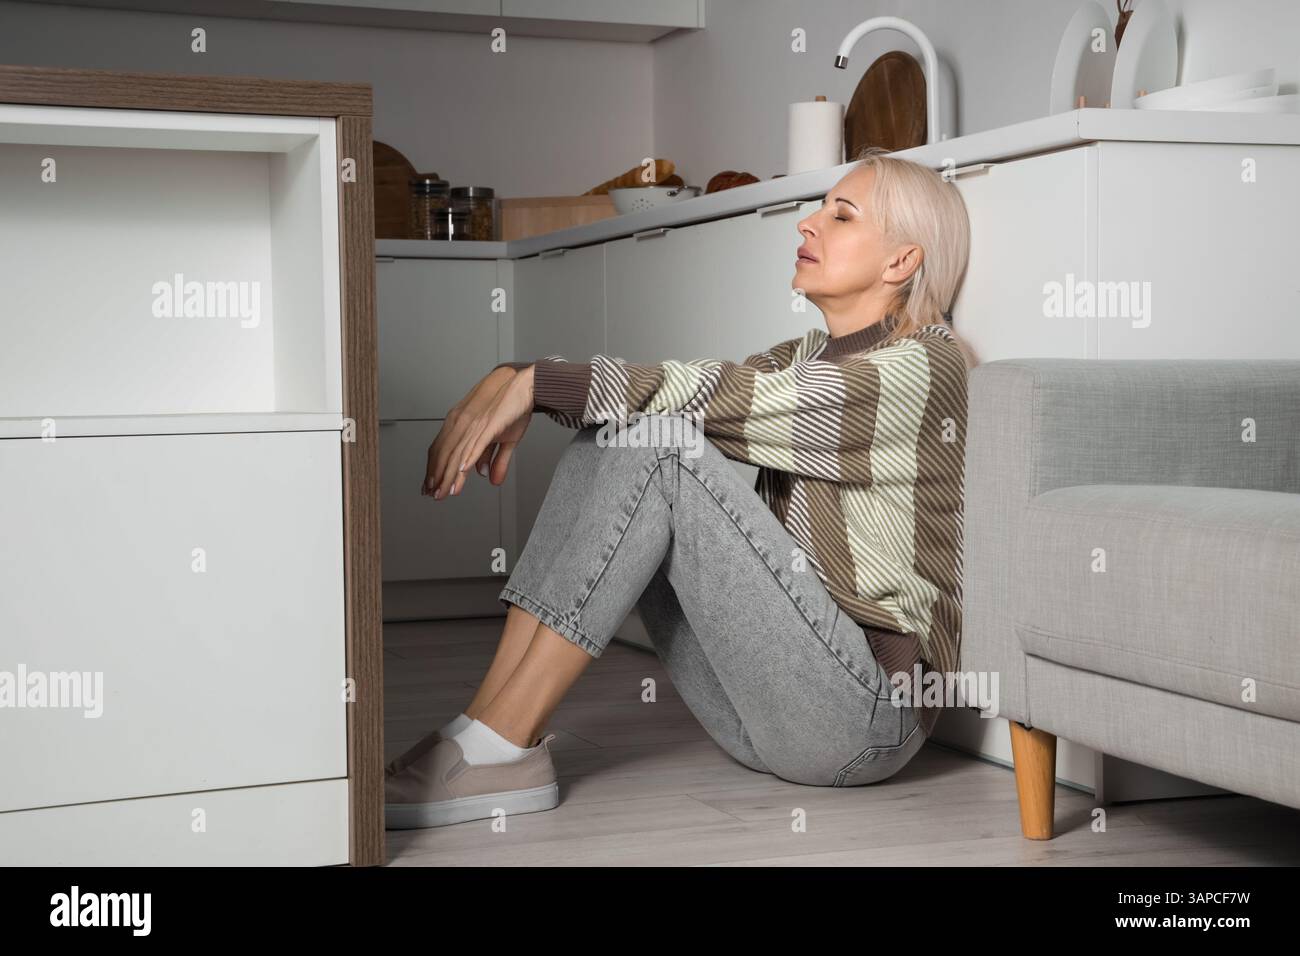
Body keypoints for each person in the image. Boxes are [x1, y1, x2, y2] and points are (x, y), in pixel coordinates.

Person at [384, 146, 973, 830]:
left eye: (840, 216)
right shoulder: (799, 357)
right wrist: (520, 377)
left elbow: (713, 400)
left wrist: (535, 384)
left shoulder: (926, 367)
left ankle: (498, 744)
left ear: (901, 261)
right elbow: (684, 392)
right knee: (619, 432)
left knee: (657, 442)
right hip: (761, 712)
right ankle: (484, 730)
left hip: (863, 721)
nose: (807, 225)